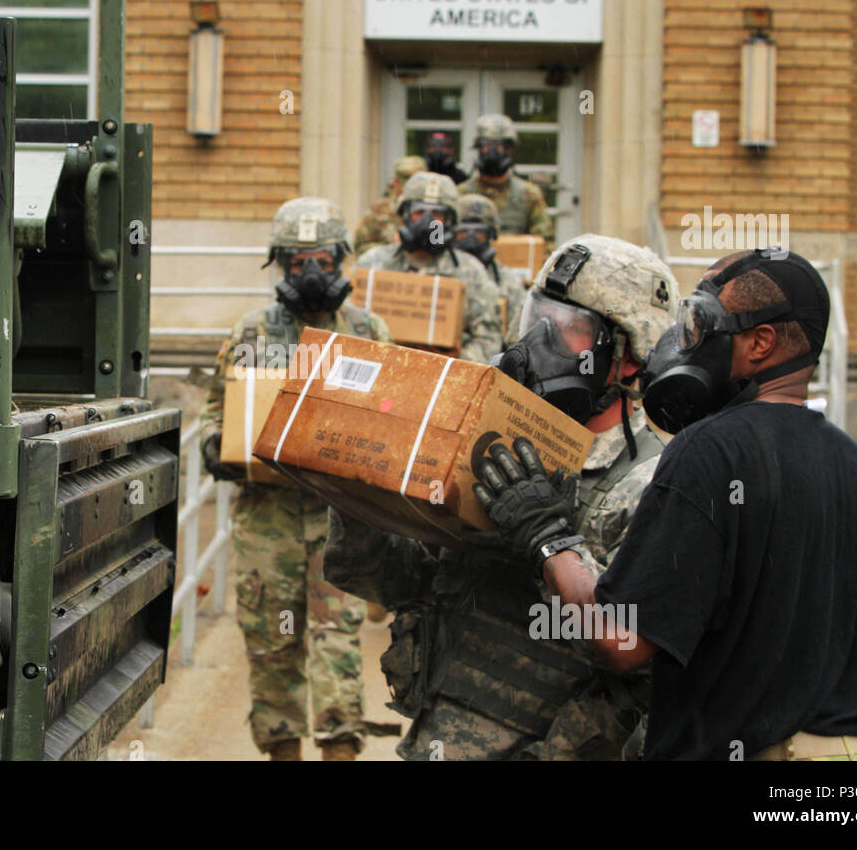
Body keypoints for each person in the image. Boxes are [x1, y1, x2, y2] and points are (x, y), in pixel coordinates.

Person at [474, 248, 857, 760]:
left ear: (761, 343)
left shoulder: (708, 453)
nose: (686, 342)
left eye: (702, 324)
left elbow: (622, 642)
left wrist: (546, 535)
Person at [325, 236, 681, 760]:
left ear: (628, 359)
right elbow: (397, 584)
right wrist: (355, 494)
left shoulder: (653, 485)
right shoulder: (494, 445)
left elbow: (641, 664)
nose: (538, 343)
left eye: (568, 329)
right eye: (536, 318)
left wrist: (550, 541)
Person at [199, 197, 393, 762]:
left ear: (340, 262)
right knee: (272, 640)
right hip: (268, 519)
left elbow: (393, 413)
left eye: (322, 262)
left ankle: (340, 749)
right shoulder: (254, 331)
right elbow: (219, 407)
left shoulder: (367, 330)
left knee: (336, 640)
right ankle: (282, 750)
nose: (310, 274)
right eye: (297, 261)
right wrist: (219, 444)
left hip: (342, 518)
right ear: (278, 264)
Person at [355, 171, 502, 364]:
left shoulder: (471, 272)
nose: (427, 222)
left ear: (450, 221)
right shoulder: (373, 265)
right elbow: (350, 330)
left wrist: (456, 359)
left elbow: (489, 341)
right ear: (405, 216)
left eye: (437, 214)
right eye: (419, 212)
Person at [457, 114, 553, 246]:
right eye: (487, 145)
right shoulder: (460, 194)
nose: (492, 151)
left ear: (510, 150)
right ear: (478, 148)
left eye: (499, 145)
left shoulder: (529, 194)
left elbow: (544, 242)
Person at [453, 193, 528, 347]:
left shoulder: (508, 284)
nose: (470, 240)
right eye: (463, 233)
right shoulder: (442, 275)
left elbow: (520, 340)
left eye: (479, 234)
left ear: (491, 235)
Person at [353, 155, 426, 258]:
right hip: (388, 270)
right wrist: (391, 246)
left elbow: (440, 244)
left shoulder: (434, 212)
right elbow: (359, 248)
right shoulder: (377, 210)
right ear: (396, 182)